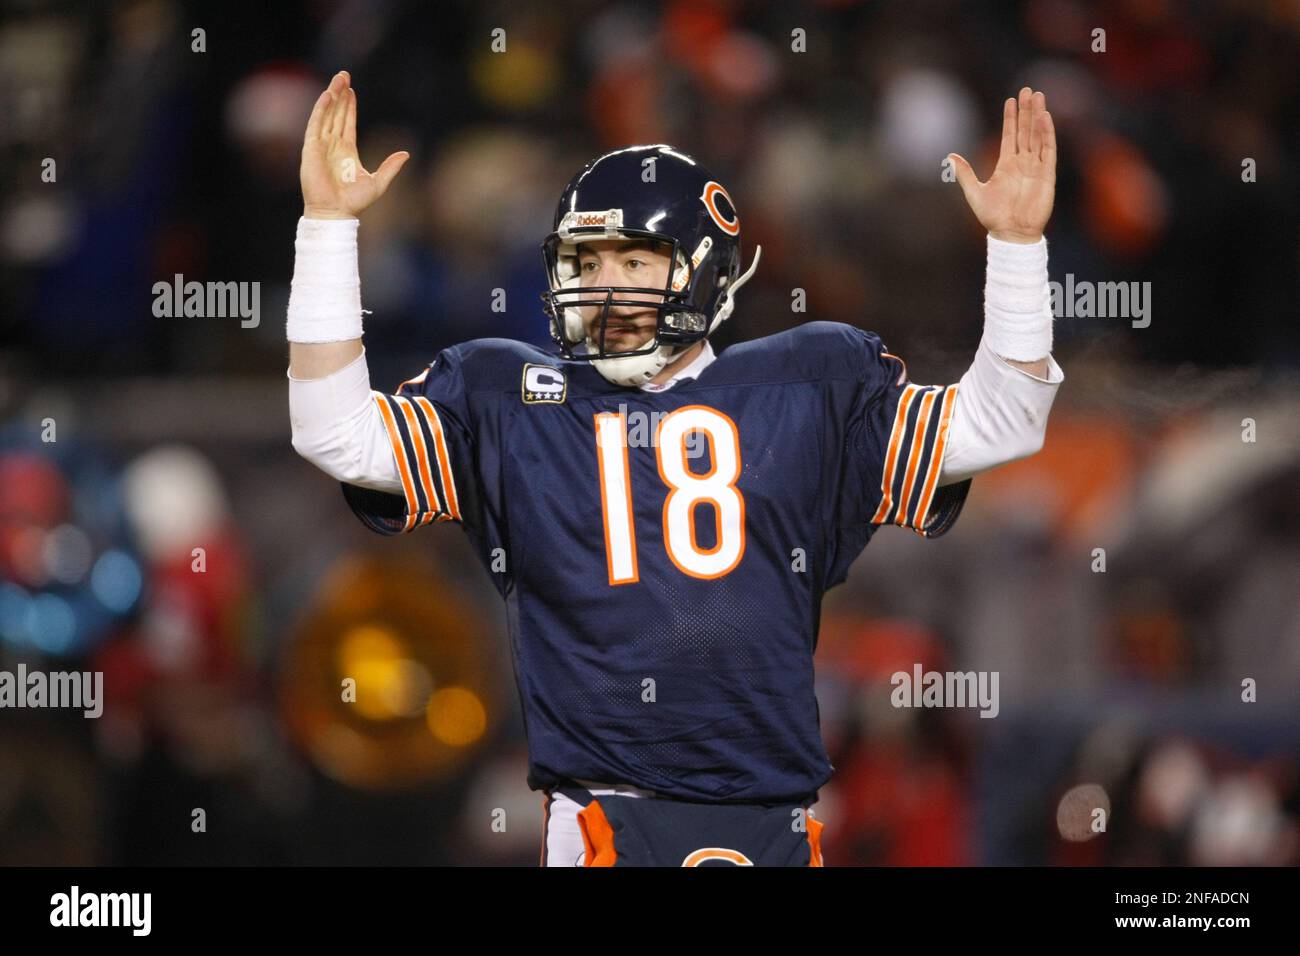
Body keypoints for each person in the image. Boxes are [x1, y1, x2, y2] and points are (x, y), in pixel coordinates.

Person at [287, 71, 1063, 866]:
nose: (604, 288)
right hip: (605, 819)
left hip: (776, 822)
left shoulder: (810, 382)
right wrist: (326, 230)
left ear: (703, 269)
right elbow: (337, 436)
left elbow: (1001, 421)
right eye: (586, 265)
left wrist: (1016, 249)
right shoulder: (514, 395)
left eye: (632, 262)